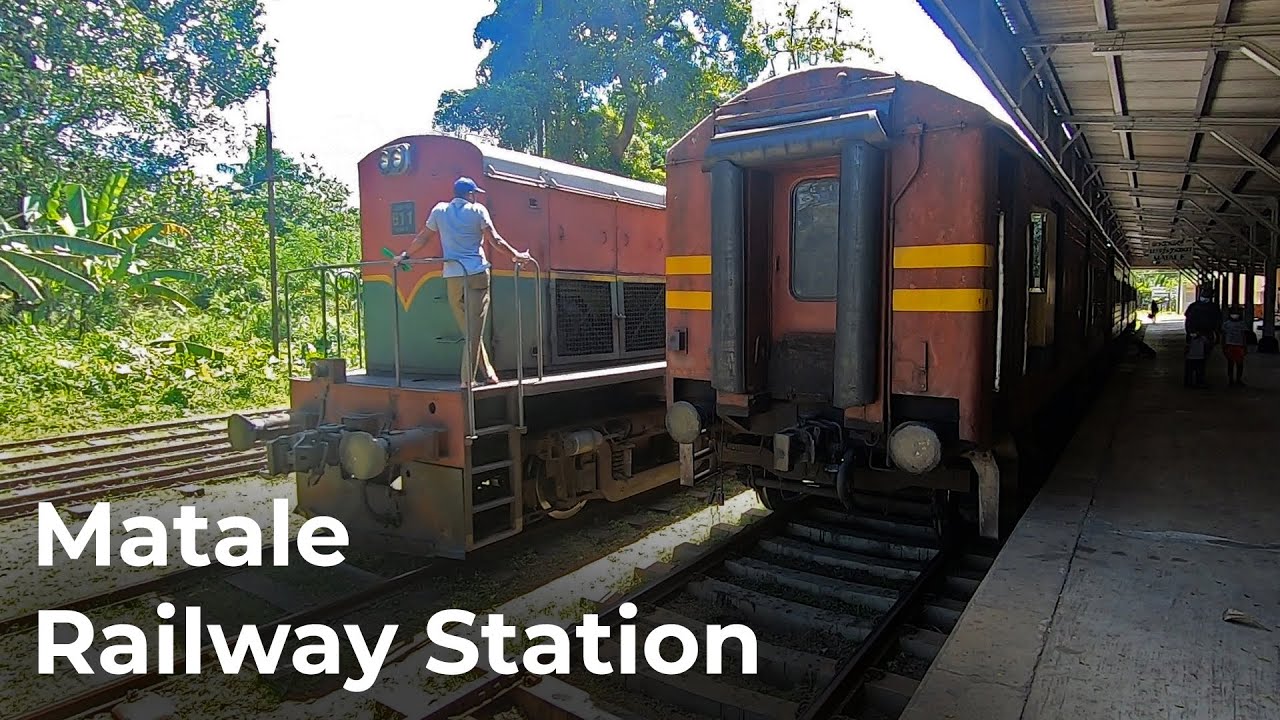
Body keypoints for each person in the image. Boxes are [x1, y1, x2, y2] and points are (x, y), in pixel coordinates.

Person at [397, 177, 531, 386]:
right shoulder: (478, 211)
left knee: (470, 330)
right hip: (477, 273)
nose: (475, 196)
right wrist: (516, 255)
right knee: (474, 330)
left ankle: (489, 374)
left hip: (453, 275)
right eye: (474, 193)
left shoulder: (439, 210)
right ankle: (467, 380)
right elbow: (495, 240)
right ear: (469, 194)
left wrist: (405, 255)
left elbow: (423, 238)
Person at [1221, 305, 1250, 386]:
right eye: (1233, 313)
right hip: (1229, 345)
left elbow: (1244, 336)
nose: (1235, 315)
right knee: (1230, 363)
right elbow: (1224, 335)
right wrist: (1223, 345)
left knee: (1239, 364)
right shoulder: (1226, 324)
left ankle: (1238, 379)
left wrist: (1245, 346)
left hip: (1239, 346)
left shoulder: (1242, 324)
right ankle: (1231, 379)